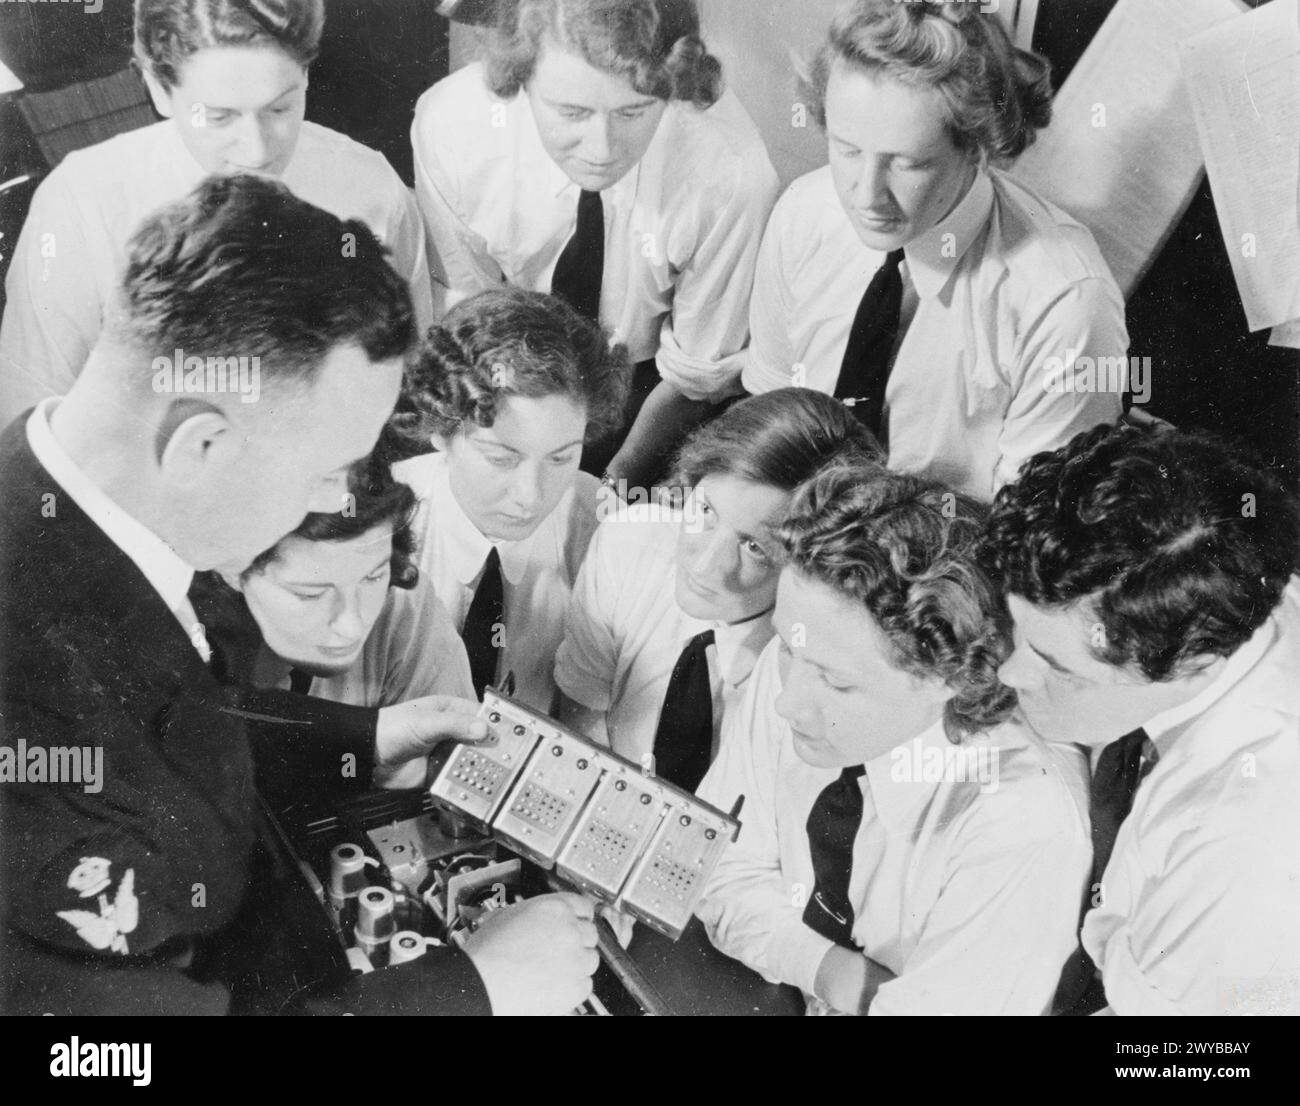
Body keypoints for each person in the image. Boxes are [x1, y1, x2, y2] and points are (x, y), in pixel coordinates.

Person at [0, 175, 598, 1017]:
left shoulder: (74, 513)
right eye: (324, 471)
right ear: (202, 445)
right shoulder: (26, 702)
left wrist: (366, 736)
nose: (332, 502)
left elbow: (177, 728)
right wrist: (475, 989)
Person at [695, 458, 1091, 1015]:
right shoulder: (804, 659)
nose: (787, 701)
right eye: (787, 646)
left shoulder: (1023, 822)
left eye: (836, 681)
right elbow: (717, 869)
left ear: (944, 678)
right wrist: (838, 976)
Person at [742, 0, 1127, 501]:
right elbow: (769, 410)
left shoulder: (1066, 301)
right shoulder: (803, 213)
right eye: (847, 149)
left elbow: (1029, 540)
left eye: (908, 164)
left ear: (978, 147)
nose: (865, 195)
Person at [982, 423, 1300, 1016]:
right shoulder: (1227, 583)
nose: (1010, 674)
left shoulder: (1244, 846)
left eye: (1059, 667)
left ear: (1196, 664)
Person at [0, 0, 433, 427]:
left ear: (304, 73)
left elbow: (411, 374)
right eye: (220, 116)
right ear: (158, 88)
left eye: (280, 107)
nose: (259, 150)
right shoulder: (80, 204)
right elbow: (30, 417)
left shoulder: (371, 187)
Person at [411, 0, 779, 484]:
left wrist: (613, 485)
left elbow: (696, 373)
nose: (602, 150)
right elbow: (470, 310)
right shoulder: (450, 128)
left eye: (633, 112)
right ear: (520, 75)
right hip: (509, 364)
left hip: (654, 394)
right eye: (572, 112)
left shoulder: (731, 172)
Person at [554, 389, 879, 790]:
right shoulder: (630, 542)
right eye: (704, 511)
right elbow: (578, 719)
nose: (707, 566)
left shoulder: (823, 659)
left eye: (755, 548)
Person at [394, 286, 629, 715]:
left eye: (561, 457)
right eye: (502, 458)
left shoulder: (604, 527)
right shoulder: (384, 520)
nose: (531, 496)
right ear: (439, 430)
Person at [217, 444, 478, 796]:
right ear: (232, 569)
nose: (352, 626)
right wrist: (371, 738)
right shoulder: (169, 629)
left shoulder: (406, 604)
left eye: (373, 577)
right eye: (310, 594)